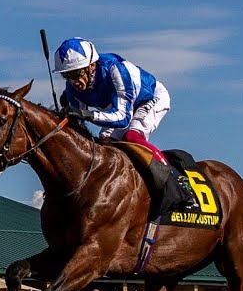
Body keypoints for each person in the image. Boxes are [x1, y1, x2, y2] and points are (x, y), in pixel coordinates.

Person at [53, 36, 197, 209]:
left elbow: (122, 119)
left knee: (132, 136)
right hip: (123, 106)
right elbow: (78, 127)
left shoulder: (116, 70)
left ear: (92, 66)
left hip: (150, 98)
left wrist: (87, 114)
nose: (74, 81)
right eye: (67, 75)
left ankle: (178, 184)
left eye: (77, 74)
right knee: (105, 143)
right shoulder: (73, 88)